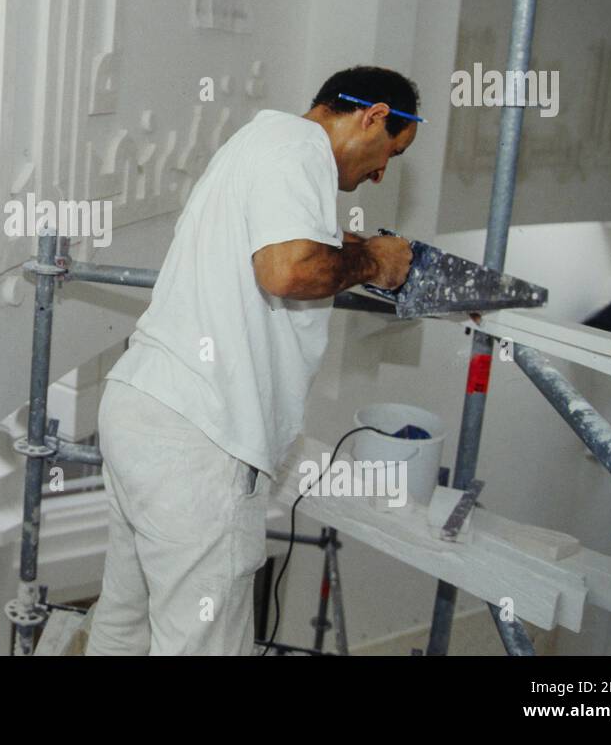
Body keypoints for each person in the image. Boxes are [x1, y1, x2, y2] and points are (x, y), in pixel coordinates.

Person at [85, 65, 420, 655]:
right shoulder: (302, 151)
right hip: (200, 437)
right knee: (201, 642)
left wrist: (357, 247)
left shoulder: (259, 141)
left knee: (124, 617)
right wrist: (377, 266)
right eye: (391, 150)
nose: (381, 172)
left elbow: (279, 248)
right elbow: (286, 270)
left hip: (142, 405)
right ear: (374, 116)